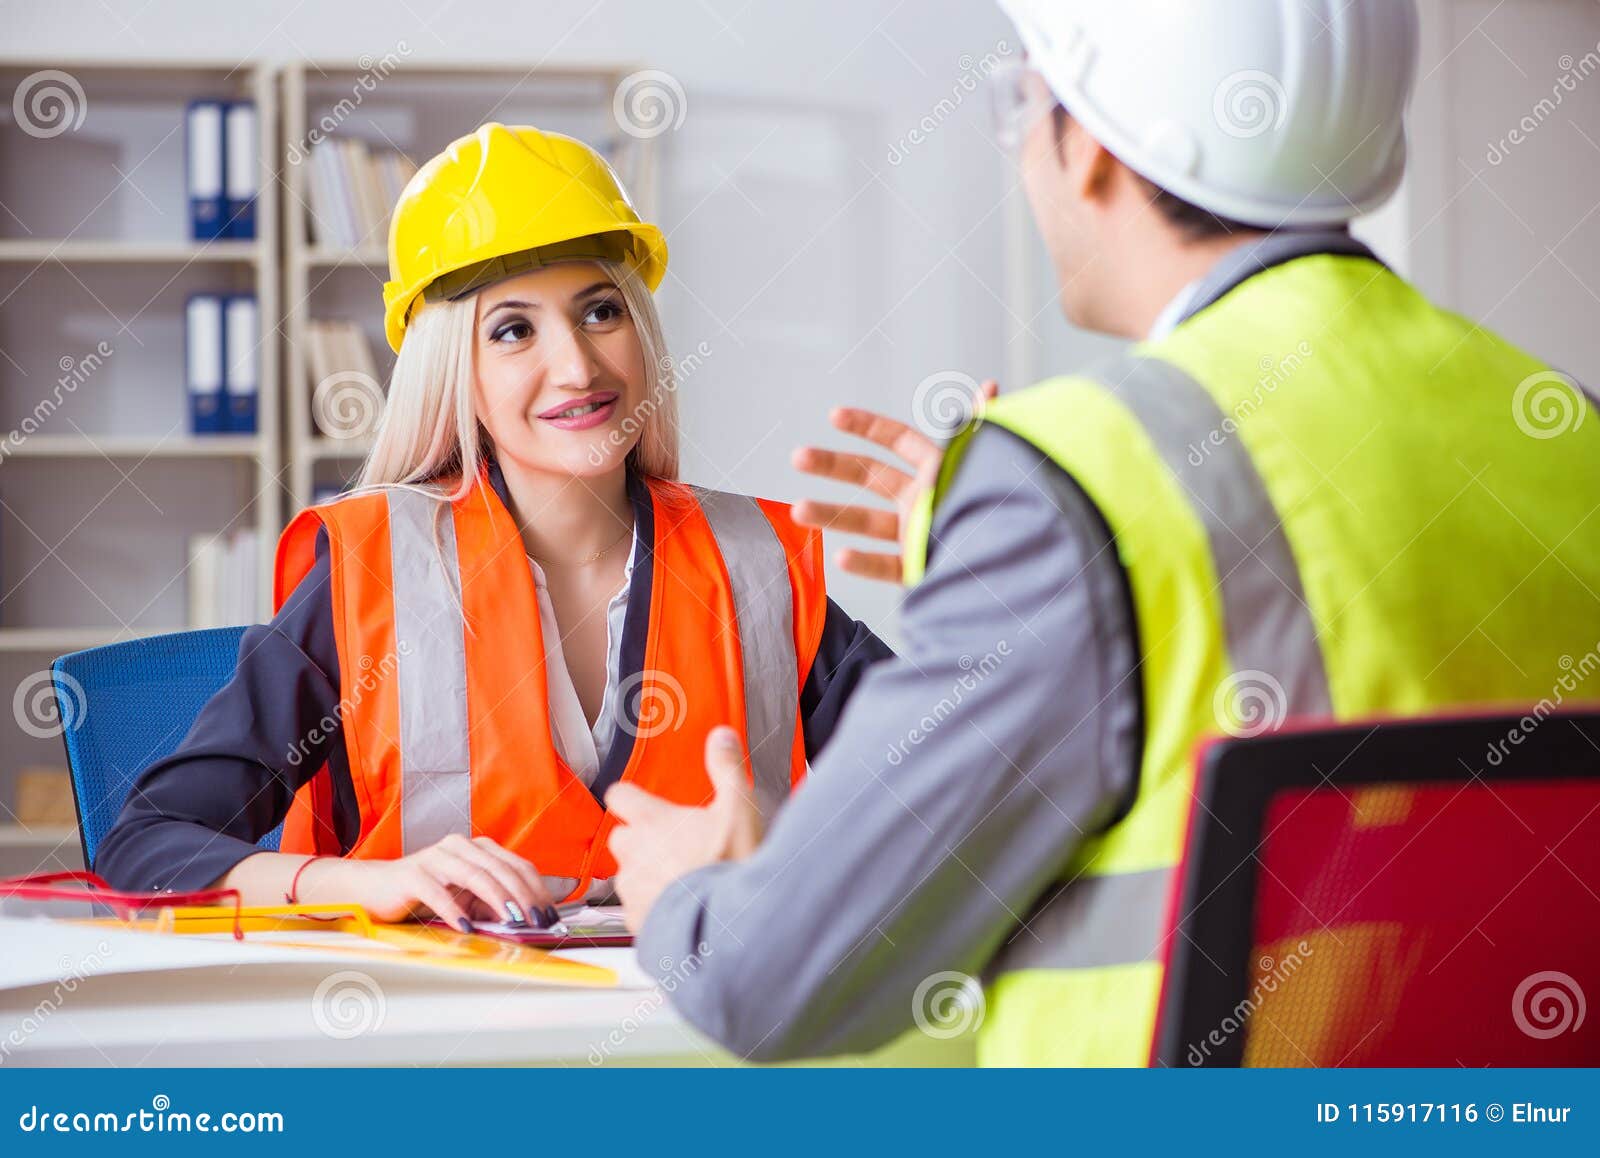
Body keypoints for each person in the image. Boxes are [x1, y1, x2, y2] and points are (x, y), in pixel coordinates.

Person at [603, 0, 1600, 1065]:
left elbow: (774, 986)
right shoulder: (1562, 425)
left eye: (1024, 104)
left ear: (1088, 147)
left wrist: (686, 895)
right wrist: (1029, 572)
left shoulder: (1076, 475)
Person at [95, 123, 892, 929]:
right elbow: (146, 849)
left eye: (601, 311)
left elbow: (970, 782)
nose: (578, 367)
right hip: (438, 1043)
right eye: (513, 330)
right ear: (456, 374)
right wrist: (365, 883)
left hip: (706, 1034)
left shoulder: (753, 565)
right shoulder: (374, 572)